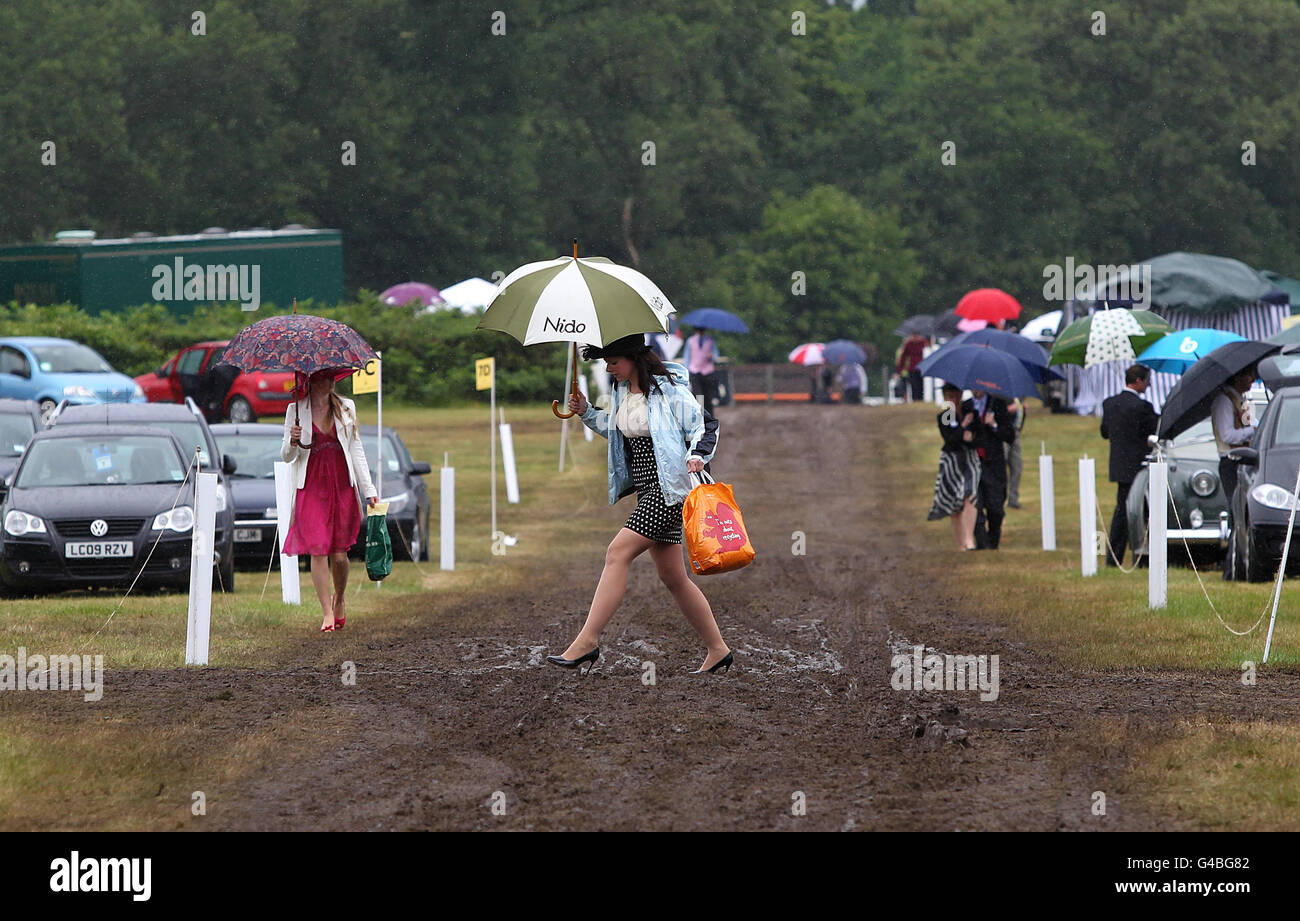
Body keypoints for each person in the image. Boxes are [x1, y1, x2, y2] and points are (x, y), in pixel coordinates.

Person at [550, 334, 732, 675]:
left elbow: (705, 425)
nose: (609, 368)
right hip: (647, 488)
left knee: (617, 553)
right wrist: (586, 411)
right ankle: (718, 649)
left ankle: (587, 641)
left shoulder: (668, 390)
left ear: (633, 359)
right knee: (673, 577)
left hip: (669, 490)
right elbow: (621, 430)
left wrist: (697, 455)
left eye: (614, 362)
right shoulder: (622, 392)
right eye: (606, 363)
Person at [281, 370, 378, 632]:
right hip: (311, 486)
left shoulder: (347, 408)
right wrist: (293, 439)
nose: (332, 381)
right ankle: (326, 612)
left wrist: (369, 489)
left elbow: (356, 450)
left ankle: (340, 597)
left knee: (339, 554)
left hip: (340, 484)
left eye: (333, 377)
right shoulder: (296, 410)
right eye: (325, 377)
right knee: (317, 548)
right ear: (312, 381)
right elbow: (287, 456)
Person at [1100, 364, 1159, 567]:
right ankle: (1138, 558)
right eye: (1147, 380)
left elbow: (1104, 432)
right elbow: (1156, 430)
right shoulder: (1143, 408)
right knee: (1136, 513)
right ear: (1138, 381)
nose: (1149, 385)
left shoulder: (1109, 404)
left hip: (1119, 467)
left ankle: (1116, 557)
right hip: (1138, 468)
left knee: (1123, 512)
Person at [1212, 364, 1258, 575]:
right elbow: (1227, 435)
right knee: (1236, 513)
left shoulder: (1240, 400)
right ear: (1237, 376)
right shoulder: (1224, 401)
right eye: (1248, 375)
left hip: (1244, 461)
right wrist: (1252, 431)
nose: (1251, 379)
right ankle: (1230, 569)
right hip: (1231, 462)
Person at [928, 383, 980, 550]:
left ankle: (969, 539)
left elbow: (976, 432)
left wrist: (970, 434)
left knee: (970, 496)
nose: (954, 400)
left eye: (956, 396)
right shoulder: (946, 414)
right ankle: (961, 544)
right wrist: (963, 427)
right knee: (955, 505)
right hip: (952, 460)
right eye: (950, 397)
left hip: (969, 459)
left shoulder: (969, 409)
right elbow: (950, 440)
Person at [964, 387, 1016, 549]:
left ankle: (993, 543)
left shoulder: (998, 405)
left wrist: (994, 424)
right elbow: (947, 431)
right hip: (973, 465)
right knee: (975, 507)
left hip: (994, 465)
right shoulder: (963, 407)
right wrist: (963, 429)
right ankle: (982, 544)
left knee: (996, 508)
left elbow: (1010, 435)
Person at [682, 326, 719, 416]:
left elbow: (716, 356)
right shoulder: (690, 341)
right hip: (694, 371)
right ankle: (701, 416)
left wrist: (712, 356)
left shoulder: (710, 341)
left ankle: (710, 416)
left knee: (708, 396)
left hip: (708, 371)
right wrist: (687, 370)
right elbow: (687, 357)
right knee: (699, 396)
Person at [1006, 397, 1026, 508]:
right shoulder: (1002, 394)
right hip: (1003, 434)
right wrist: (1007, 410)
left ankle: (1013, 499)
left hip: (1015, 433)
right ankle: (999, 498)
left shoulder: (1019, 397)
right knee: (1000, 468)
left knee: (1017, 467)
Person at [897, 332, 928, 402]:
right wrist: (899, 369)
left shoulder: (923, 343)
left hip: (922, 369)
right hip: (912, 369)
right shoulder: (909, 344)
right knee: (914, 386)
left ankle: (921, 399)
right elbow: (903, 357)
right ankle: (916, 400)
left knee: (921, 386)